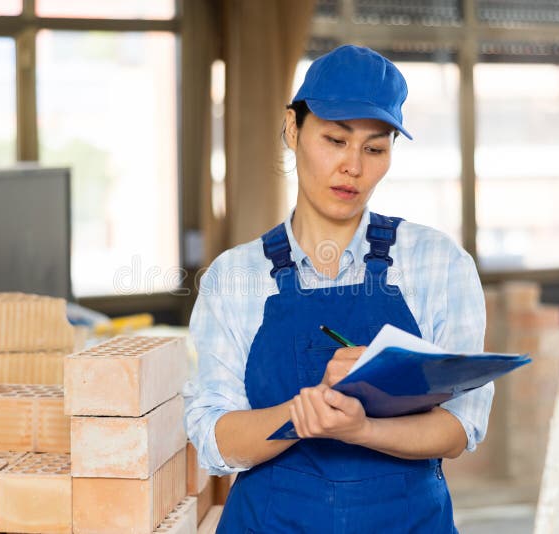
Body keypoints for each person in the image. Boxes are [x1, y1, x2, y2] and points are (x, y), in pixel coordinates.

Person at [183, 44, 493, 533]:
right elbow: (215, 441)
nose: (354, 166)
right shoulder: (234, 277)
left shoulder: (438, 264)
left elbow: (459, 427)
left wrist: (362, 426)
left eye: (375, 148)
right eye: (334, 139)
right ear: (292, 129)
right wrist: (304, 412)